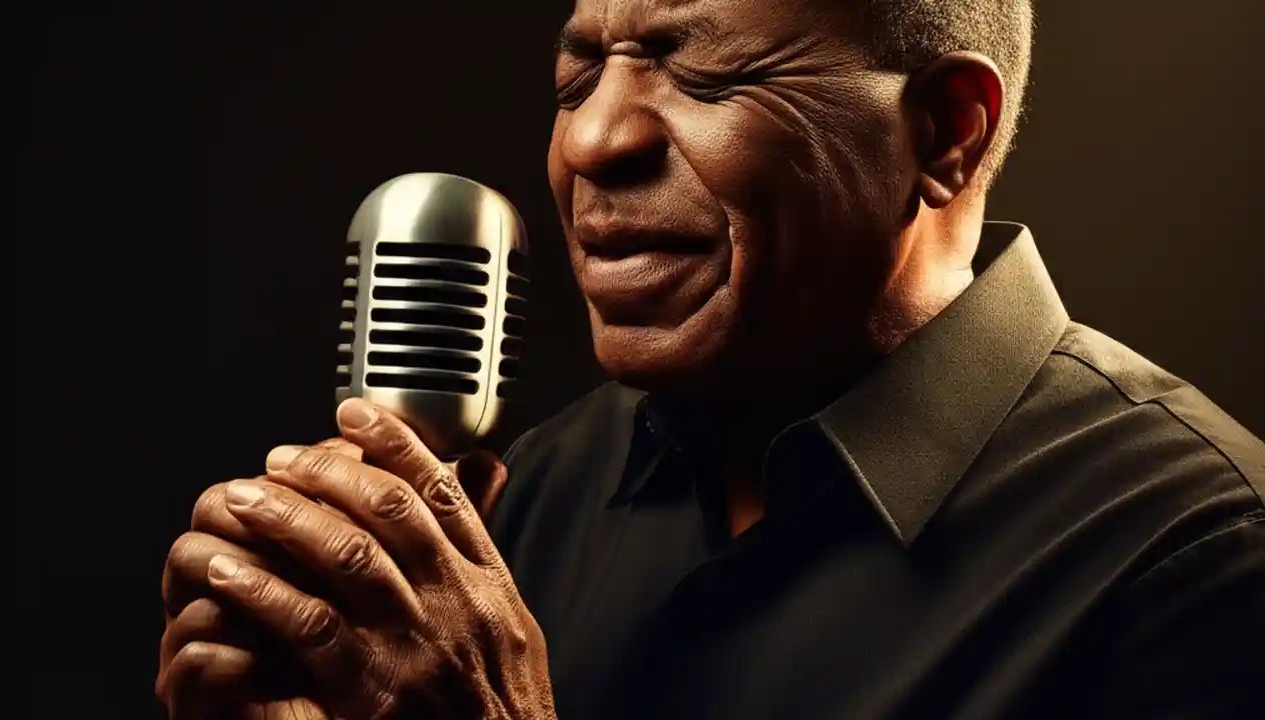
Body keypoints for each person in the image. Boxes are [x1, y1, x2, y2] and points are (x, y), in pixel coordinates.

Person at [157, 0, 1265, 718]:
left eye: (704, 77)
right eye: (578, 73)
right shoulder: (527, 496)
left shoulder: (1198, 564)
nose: (593, 142)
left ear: (945, 134)